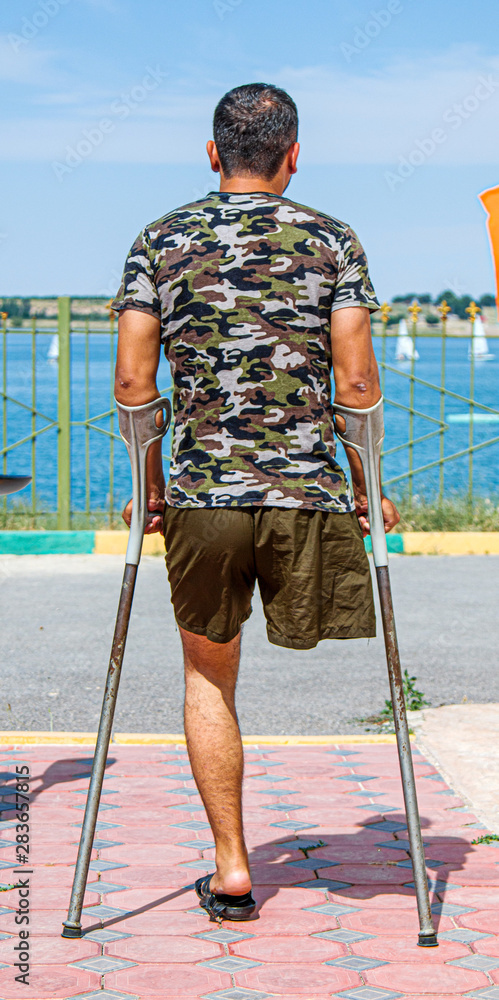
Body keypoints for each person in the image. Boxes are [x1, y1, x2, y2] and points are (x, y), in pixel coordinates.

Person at [112, 82, 399, 921]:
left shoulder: (159, 240)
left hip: (202, 496)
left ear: (212, 153)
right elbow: (356, 380)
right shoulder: (331, 237)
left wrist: (149, 483)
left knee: (209, 673)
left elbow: (134, 380)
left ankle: (233, 869)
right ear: (292, 153)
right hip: (308, 493)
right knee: (321, 647)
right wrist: (367, 485)